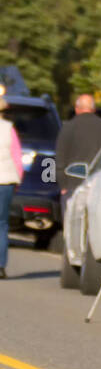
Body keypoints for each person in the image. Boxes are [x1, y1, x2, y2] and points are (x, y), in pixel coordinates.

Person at [54, 93, 101, 220]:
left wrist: (63, 185)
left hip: (72, 185)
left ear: (77, 109)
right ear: (93, 109)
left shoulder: (68, 127)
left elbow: (60, 158)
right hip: (98, 185)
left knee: (72, 226)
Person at [0, 97, 24, 279]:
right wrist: (18, 179)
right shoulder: (9, 129)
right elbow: (17, 157)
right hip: (6, 181)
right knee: (2, 224)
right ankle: (0, 265)